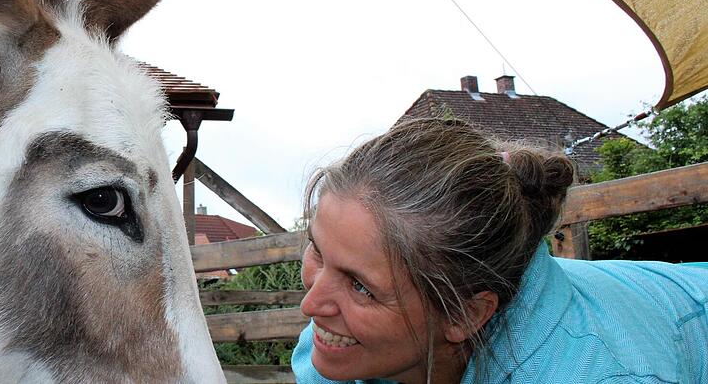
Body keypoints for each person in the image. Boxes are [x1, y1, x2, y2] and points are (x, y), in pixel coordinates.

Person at [290, 118, 708, 384]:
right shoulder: (341, 343)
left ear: (466, 314)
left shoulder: (601, 372)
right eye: (319, 252)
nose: (311, 305)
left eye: (361, 287)